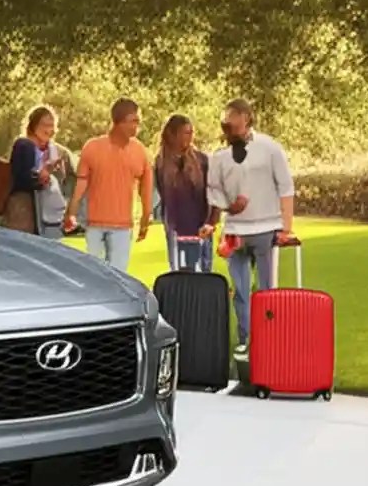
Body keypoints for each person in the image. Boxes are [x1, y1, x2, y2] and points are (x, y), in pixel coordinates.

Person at [198, 98, 297, 351]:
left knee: (266, 290)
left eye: (232, 120)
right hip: (234, 232)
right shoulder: (219, 157)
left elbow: (286, 187)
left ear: (246, 119)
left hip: (266, 229)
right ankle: (245, 339)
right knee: (240, 290)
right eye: (225, 122)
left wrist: (286, 228)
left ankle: (269, 339)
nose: (227, 126)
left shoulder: (270, 148)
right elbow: (215, 194)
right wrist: (229, 210)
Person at [63, 97, 154, 271]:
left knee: (119, 274)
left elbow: (146, 187)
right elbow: (82, 182)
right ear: (118, 121)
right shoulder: (92, 147)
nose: (136, 126)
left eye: (138, 122)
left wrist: (145, 218)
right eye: (132, 121)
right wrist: (72, 212)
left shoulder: (139, 151)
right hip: (95, 224)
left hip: (123, 225)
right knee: (95, 274)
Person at [154, 114, 213, 271]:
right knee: (180, 269)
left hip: (199, 222)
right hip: (176, 223)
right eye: (186, 132)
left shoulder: (201, 161)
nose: (190, 136)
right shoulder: (161, 163)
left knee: (203, 268)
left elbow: (210, 192)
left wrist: (210, 220)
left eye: (191, 132)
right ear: (173, 135)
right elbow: (161, 193)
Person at [5, 105, 68, 237]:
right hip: (26, 212)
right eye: (45, 125)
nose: (49, 129)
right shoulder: (24, 145)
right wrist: (40, 177)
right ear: (33, 126)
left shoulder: (57, 151)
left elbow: (68, 181)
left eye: (52, 125)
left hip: (51, 214)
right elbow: (20, 179)